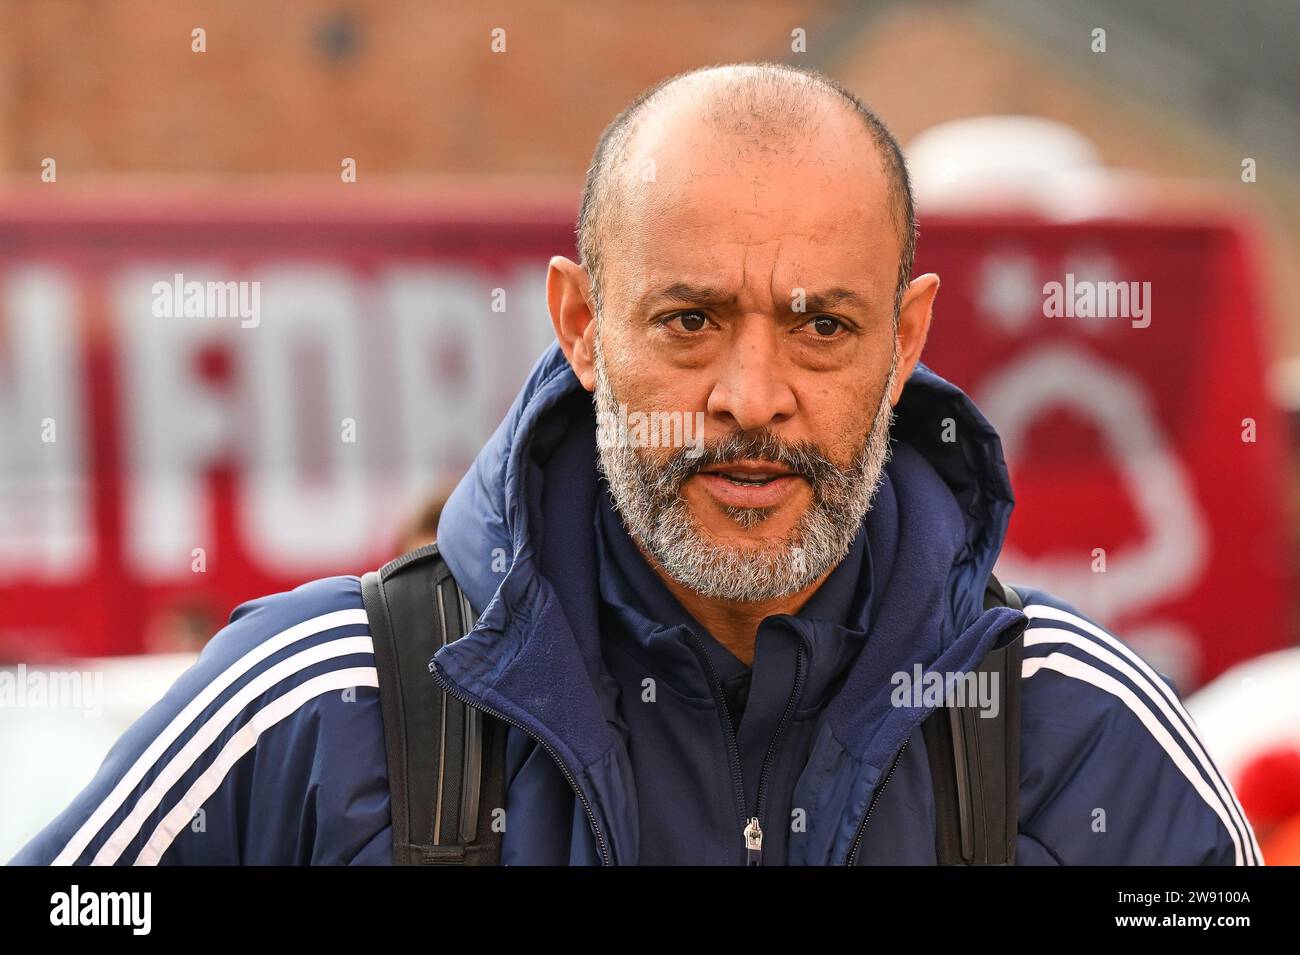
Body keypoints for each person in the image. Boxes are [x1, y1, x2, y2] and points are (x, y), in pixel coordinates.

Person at [10, 62, 1260, 866]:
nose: (751, 399)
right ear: (579, 324)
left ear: (907, 339)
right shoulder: (314, 713)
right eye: (690, 320)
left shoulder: (1088, 737)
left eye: (822, 325)